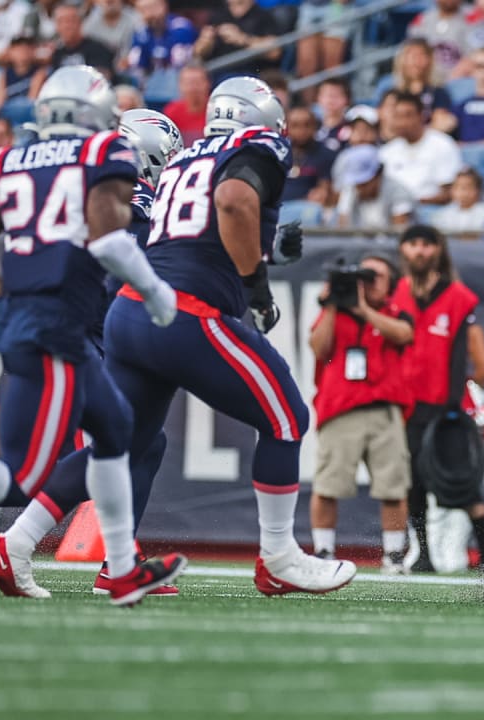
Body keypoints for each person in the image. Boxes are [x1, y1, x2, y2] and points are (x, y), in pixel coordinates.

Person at [107, 76, 354, 595]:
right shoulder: (256, 146)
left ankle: (18, 544)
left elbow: (189, 235)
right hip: (179, 311)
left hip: (129, 314)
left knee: (120, 445)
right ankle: (280, 556)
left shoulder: (186, 158)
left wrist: (259, 251)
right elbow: (235, 202)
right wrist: (257, 289)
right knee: (287, 416)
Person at [0, 66, 186, 604]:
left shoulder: (7, 159)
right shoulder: (108, 167)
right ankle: (21, 544)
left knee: (127, 432)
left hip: (58, 324)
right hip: (59, 328)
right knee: (27, 473)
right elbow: (116, 243)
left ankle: (118, 568)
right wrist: (162, 297)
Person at [391, 225, 484, 572]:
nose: (419, 252)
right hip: (406, 404)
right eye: (413, 244)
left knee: (461, 482)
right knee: (414, 484)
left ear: (438, 250)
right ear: (403, 250)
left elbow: (460, 355)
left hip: (444, 404)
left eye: (426, 244)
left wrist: (453, 405)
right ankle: (422, 553)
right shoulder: (396, 293)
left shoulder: (458, 297)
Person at [309, 255, 414, 573]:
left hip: (385, 410)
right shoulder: (334, 313)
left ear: (390, 282)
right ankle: (324, 551)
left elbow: (404, 335)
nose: (368, 282)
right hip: (341, 408)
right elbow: (318, 347)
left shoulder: (395, 313)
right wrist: (332, 303)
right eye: (363, 276)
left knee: (392, 486)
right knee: (328, 484)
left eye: (376, 276)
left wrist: (364, 311)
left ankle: (393, 556)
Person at [379, 92, 463, 206]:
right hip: (395, 212)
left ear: (421, 116)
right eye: (398, 116)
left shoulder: (442, 144)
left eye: (407, 116)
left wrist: (415, 203)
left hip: (432, 211)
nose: (402, 122)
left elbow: (449, 193)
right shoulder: (387, 151)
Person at [332, 144, 417, 228]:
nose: (359, 188)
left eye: (364, 183)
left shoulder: (399, 192)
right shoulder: (351, 189)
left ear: (378, 174)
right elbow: (342, 229)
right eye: (357, 184)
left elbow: (399, 233)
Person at [405, 0, 484, 82]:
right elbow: (413, 53)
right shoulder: (423, 20)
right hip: (429, 80)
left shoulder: (474, 17)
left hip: (462, 80)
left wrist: (452, 80)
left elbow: (479, 54)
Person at [194, 0, 282, 77]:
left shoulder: (262, 15)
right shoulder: (218, 16)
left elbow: (275, 52)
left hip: (254, 76)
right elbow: (197, 53)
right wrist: (205, 42)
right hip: (220, 77)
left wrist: (244, 39)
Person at [391, 40, 457, 134]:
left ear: (429, 60)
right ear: (403, 60)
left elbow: (442, 122)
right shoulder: (394, 94)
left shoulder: (438, 92)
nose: (416, 61)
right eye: (412, 56)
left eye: (421, 55)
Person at [125, 0, 196, 79]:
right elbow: (137, 65)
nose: (149, 14)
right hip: (151, 80)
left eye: (152, 8)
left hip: (180, 78)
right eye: (143, 10)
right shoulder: (141, 32)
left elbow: (180, 62)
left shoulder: (181, 27)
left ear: (163, 6)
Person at [284, 105, 337, 206]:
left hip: (309, 209)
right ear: (287, 128)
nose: (301, 131)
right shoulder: (278, 154)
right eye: (295, 125)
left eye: (307, 125)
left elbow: (326, 189)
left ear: (315, 127)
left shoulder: (326, 154)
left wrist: (322, 193)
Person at [45, 3, 116, 79]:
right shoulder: (55, 53)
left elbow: (102, 78)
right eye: (61, 21)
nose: (66, 26)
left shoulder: (98, 49)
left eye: (70, 20)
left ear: (80, 23)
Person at [295, 0, 349, 86]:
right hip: (308, 7)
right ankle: (309, 99)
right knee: (307, 65)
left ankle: (330, 97)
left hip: (335, 7)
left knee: (332, 66)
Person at [162, 63, 210, 145]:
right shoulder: (172, 112)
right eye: (189, 83)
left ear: (207, 83)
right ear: (180, 86)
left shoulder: (217, 109)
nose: (194, 88)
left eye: (198, 82)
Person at [432, 168, 484, 234]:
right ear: (452, 190)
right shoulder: (442, 214)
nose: (463, 192)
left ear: (478, 190)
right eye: (458, 187)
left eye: (468, 187)